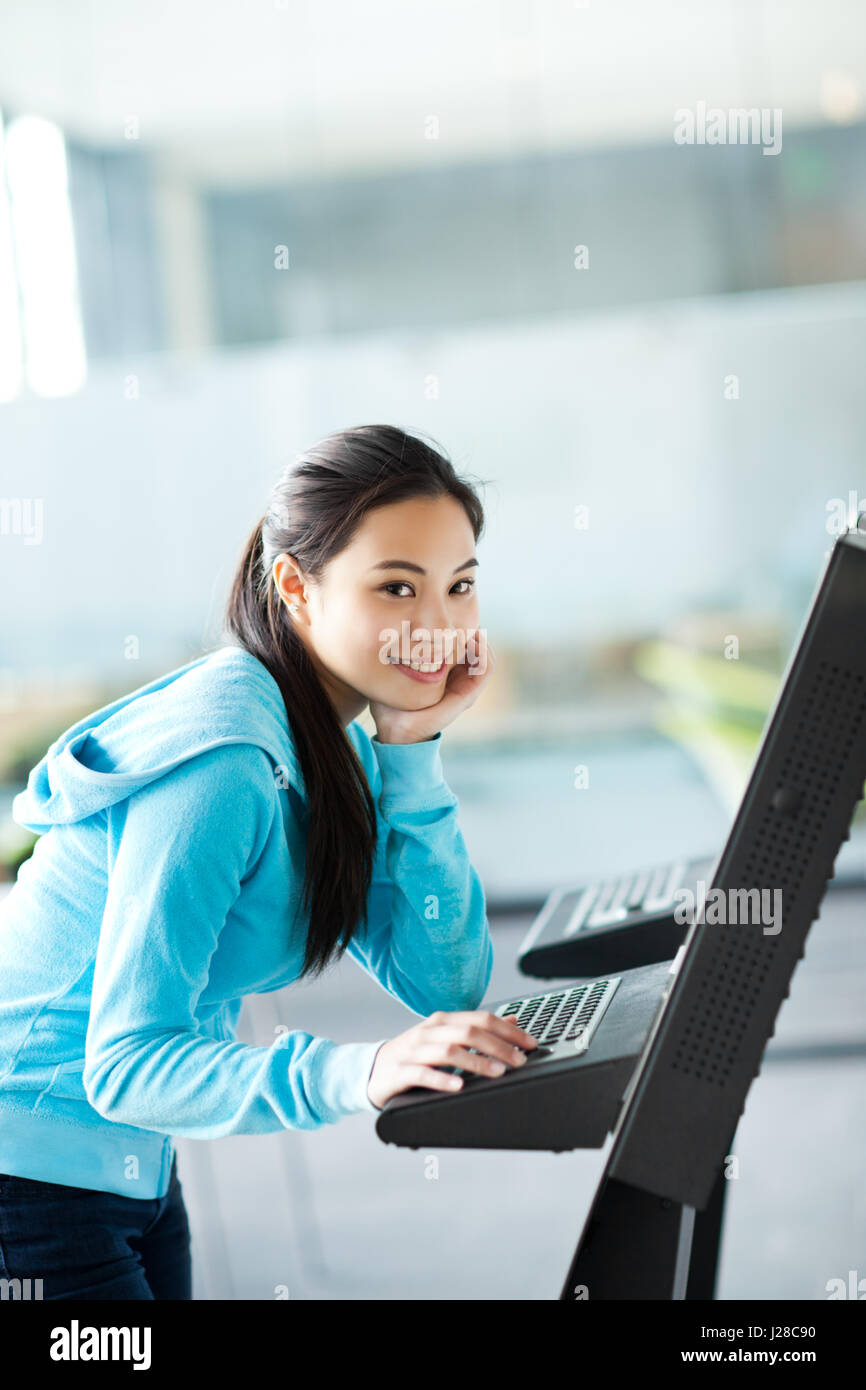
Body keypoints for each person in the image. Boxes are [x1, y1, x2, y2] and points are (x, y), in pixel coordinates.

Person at [0, 423, 537, 1300]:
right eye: (397, 587)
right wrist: (358, 1073)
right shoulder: (227, 763)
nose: (437, 627)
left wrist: (412, 749)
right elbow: (128, 1060)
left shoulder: (339, 749)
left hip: (126, 1160)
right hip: (27, 1167)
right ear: (296, 585)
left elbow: (444, 982)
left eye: (460, 587)